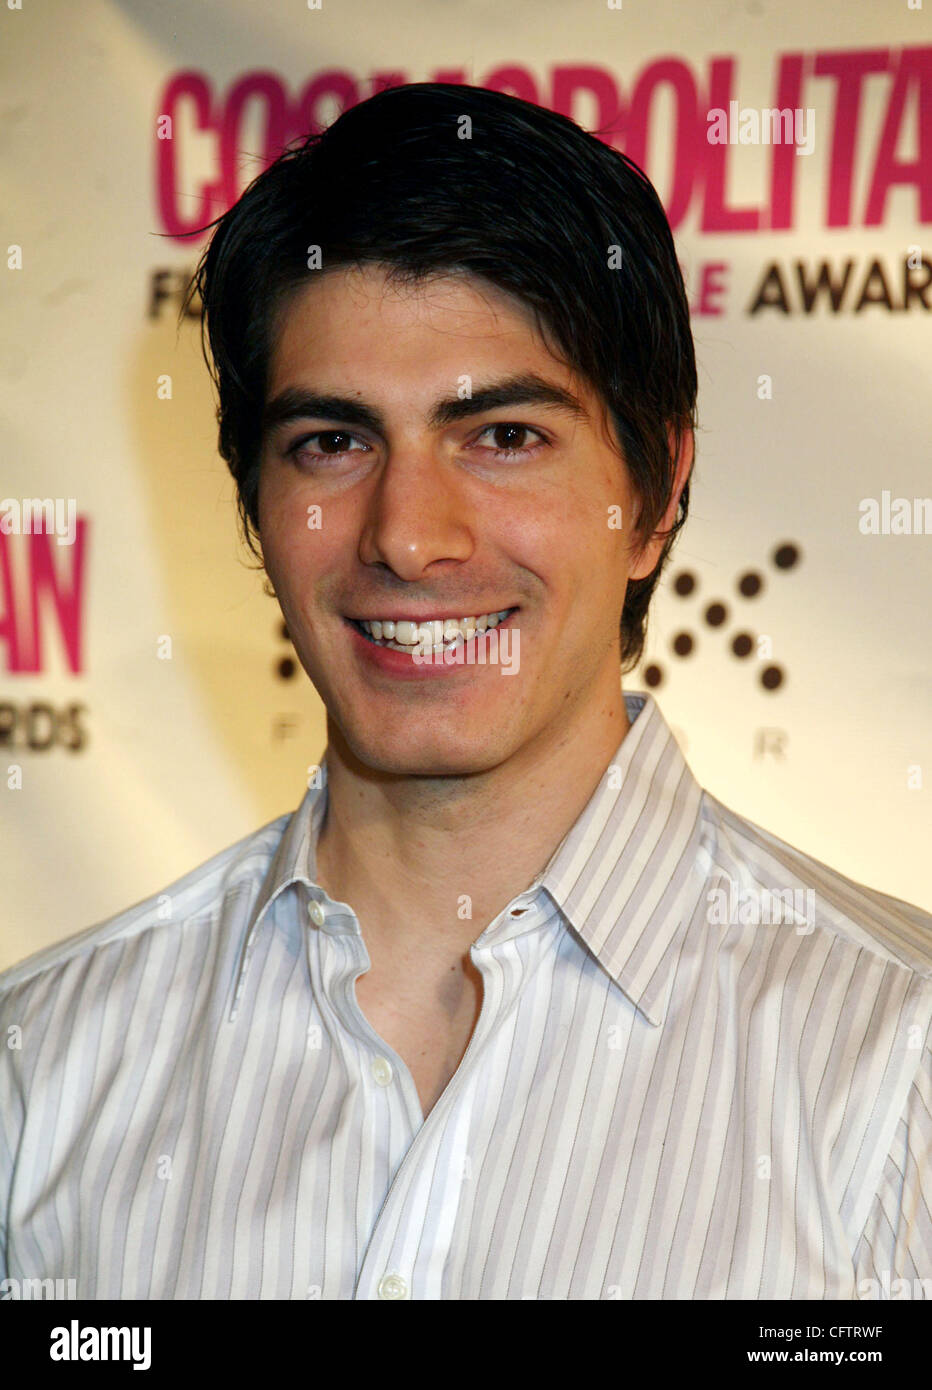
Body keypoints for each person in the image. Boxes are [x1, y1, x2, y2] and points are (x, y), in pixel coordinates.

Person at [1, 83, 929, 1302]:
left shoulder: (897, 1060)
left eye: (501, 437)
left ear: (652, 492)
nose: (408, 537)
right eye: (331, 441)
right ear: (253, 507)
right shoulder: (41, 1071)